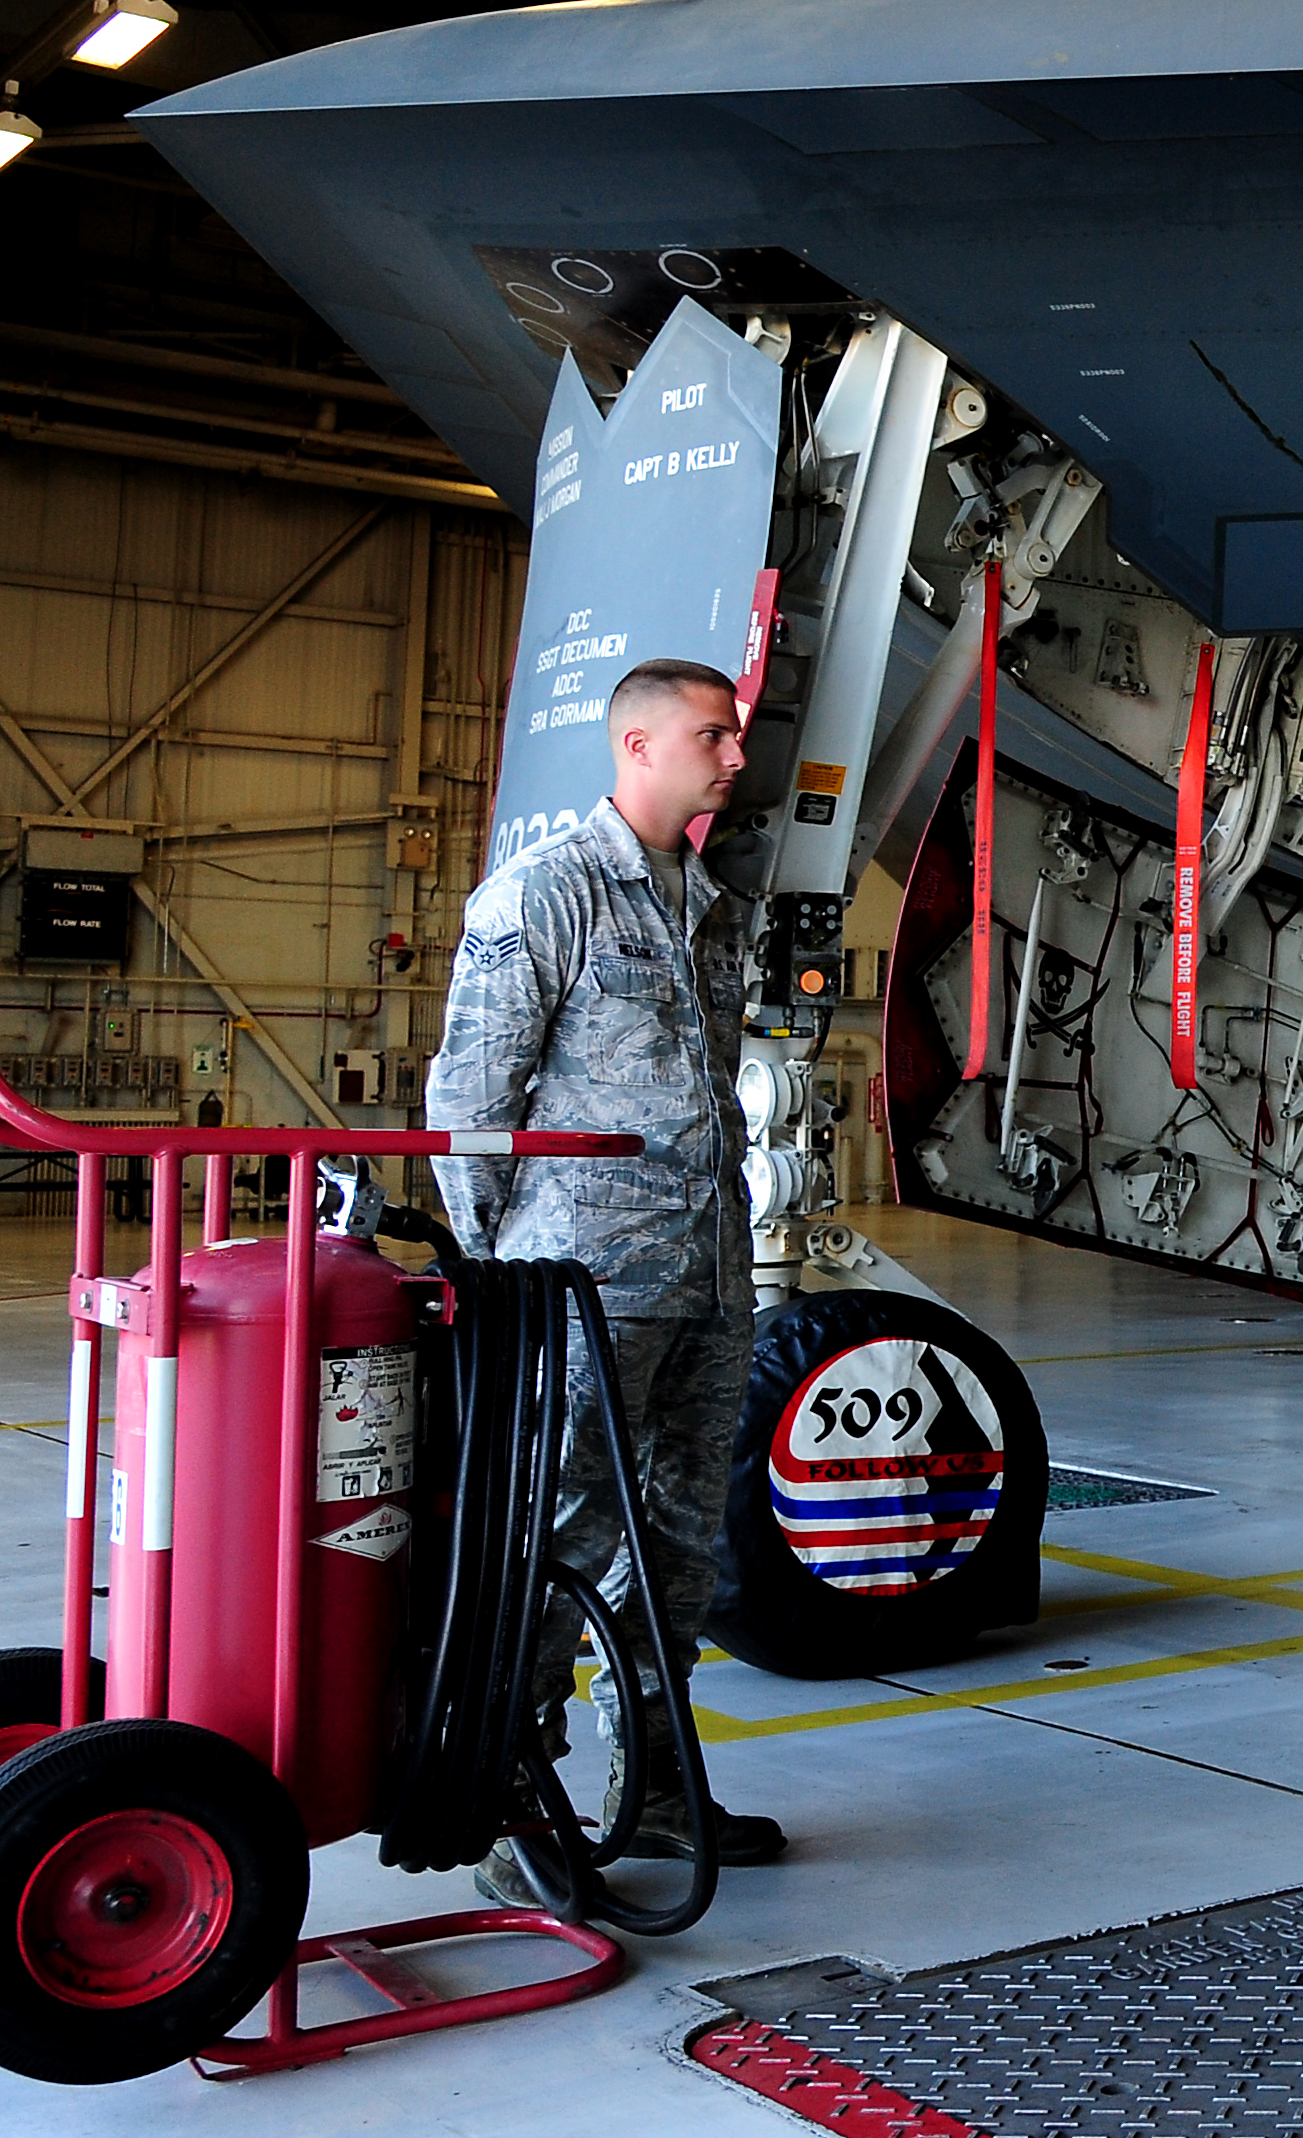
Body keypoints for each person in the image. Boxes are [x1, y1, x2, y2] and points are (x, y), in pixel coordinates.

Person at [425, 658, 788, 1893]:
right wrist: (501, 1268)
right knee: (556, 1524)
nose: (734, 755)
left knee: (681, 1536)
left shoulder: (711, 905)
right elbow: (470, 1103)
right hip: (580, 1287)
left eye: (732, 736)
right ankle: (515, 1801)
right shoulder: (543, 894)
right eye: (710, 735)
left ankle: (656, 1788)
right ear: (636, 747)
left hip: (706, 1276)